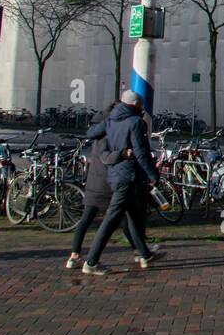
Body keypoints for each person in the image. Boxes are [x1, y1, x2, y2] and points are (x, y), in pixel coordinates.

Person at [83, 90, 163, 275]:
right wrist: (153, 174)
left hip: (115, 175)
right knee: (111, 220)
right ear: (136, 105)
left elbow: (92, 133)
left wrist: (114, 149)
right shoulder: (136, 123)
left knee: (133, 217)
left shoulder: (111, 120)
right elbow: (141, 152)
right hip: (128, 177)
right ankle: (91, 261)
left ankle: (144, 254)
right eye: (141, 106)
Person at [66, 103, 154, 269]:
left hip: (98, 180)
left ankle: (75, 255)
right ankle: (92, 261)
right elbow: (108, 157)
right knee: (117, 219)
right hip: (109, 181)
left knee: (119, 217)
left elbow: (92, 138)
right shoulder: (113, 128)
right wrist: (123, 154)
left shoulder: (103, 127)